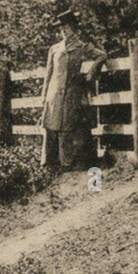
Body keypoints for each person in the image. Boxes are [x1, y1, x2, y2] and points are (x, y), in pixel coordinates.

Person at [41, 9, 107, 171]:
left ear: (74, 28)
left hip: (71, 93)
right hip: (53, 94)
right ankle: (48, 163)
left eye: (66, 27)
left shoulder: (82, 47)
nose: (63, 30)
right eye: (61, 28)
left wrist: (91, 71)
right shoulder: (54, 49)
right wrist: (44, 95)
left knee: (67, 127)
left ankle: (66, 164)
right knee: (50, 126)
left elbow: (102, 55)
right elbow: (48, 73)